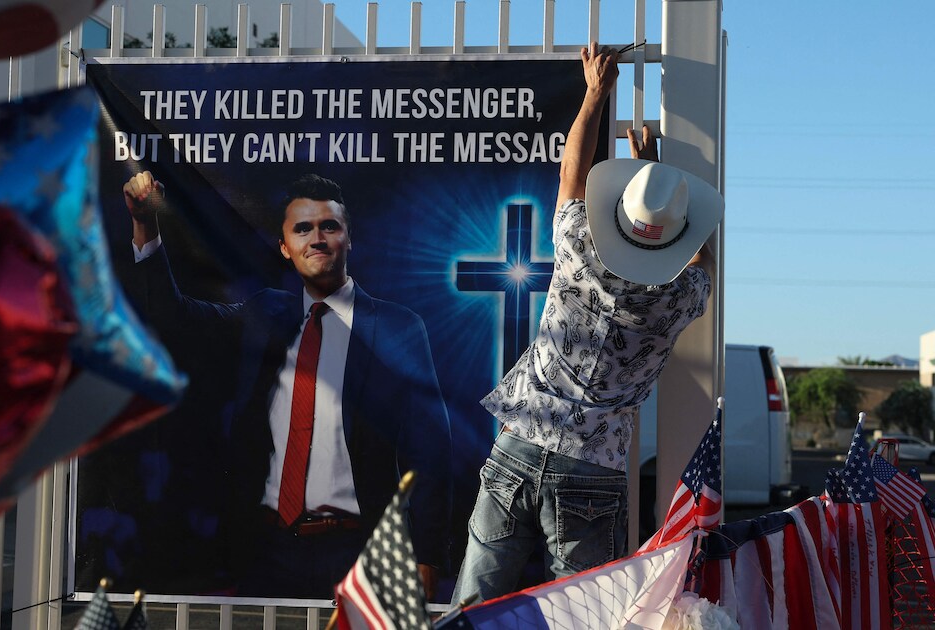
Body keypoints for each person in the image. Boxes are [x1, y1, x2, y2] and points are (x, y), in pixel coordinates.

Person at [451, 42, 724, 603]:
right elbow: (703, 257)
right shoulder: (680, 297)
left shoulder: (578, 248)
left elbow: (571, 173)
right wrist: (667, 182)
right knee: (583, 614)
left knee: (473, 610)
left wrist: (596, 92)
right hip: (592, 473)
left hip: (519, 445)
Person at [121, 172, 452, 599]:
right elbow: (173, 317)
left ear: (349, 238)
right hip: (265, 549)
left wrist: (427, 558)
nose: (316, 238)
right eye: (302, 229)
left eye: (329, 226)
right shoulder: (265, 313)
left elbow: (431, 448)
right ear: (284, 247)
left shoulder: (398, 327)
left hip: (359, 550)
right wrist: (147, 226)